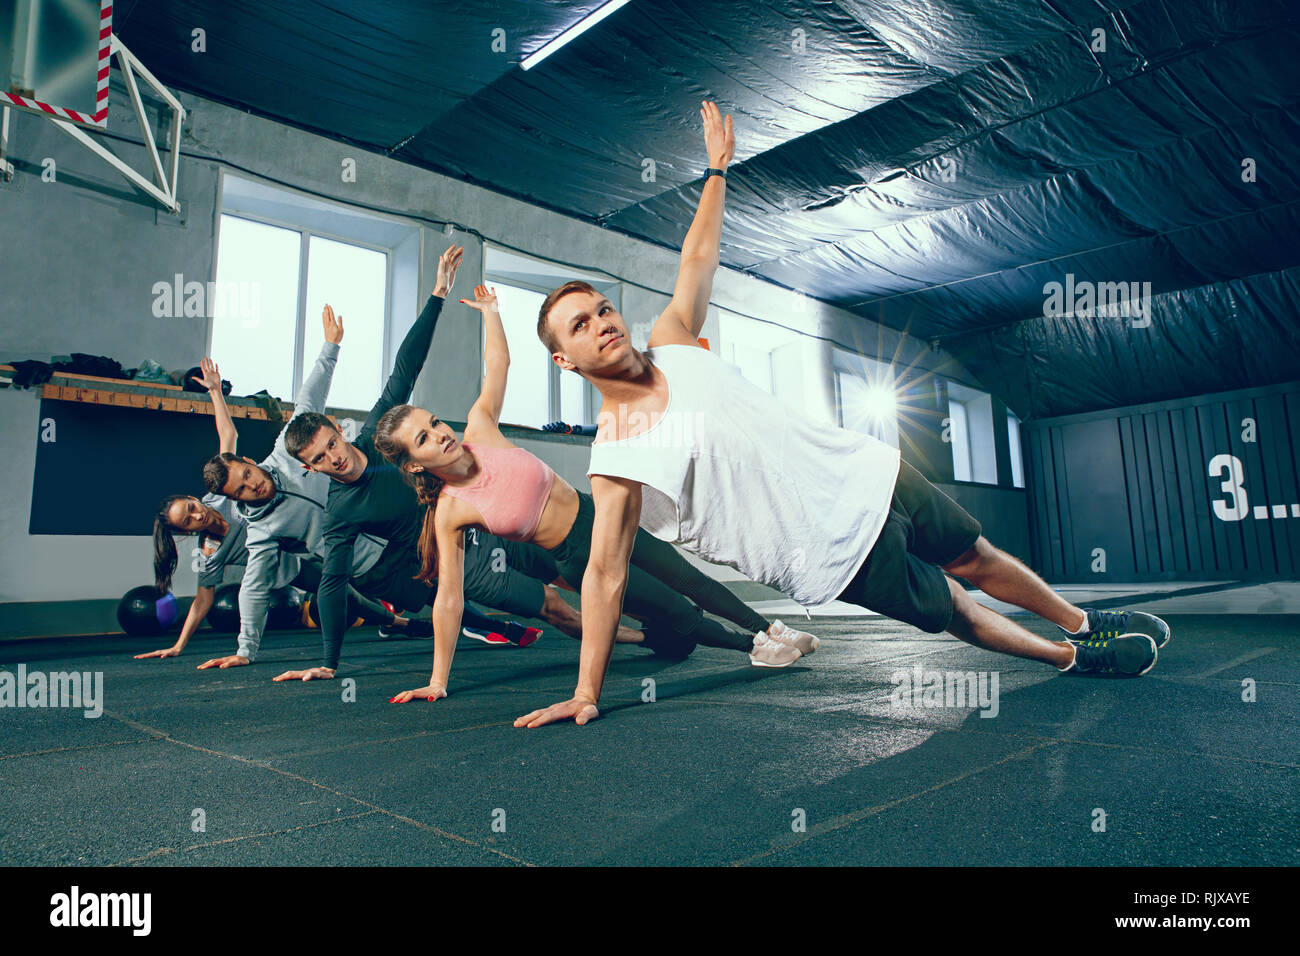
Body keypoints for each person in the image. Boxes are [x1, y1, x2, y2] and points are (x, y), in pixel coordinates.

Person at [516, 101, 1172, 729]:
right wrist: (585, 690)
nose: (601, 323)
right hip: (830, 552)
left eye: (601, 308)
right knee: (957, 608)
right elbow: (605, 575)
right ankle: (1076, 659)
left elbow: (697, 257)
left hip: (864, 471)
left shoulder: (674, 339)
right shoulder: (617, 458)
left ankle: (1083, 623)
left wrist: (717, 170)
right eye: (581, 324)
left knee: (976, 554)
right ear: (565, 362)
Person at [370, 284, 814, 704]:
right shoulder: (450, 511)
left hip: (602, 515)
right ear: (413, 463)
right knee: (678, 611)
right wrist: (436, 680)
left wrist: (491, 314)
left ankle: (772, 629)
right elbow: (450, 598)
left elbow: (498, 366)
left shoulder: (480, 429)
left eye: (433, 422)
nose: (439, 434)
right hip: (579, 557)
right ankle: (752, 645)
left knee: (691, 579)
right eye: (424, 440)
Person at [277, 245, 585, 682]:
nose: (335, 458)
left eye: (331, 443)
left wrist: (438, 293)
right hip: (458, 556)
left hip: (491, 519)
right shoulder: (341, 512)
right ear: (310, 468)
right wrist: (329, 662)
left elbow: (406, 368)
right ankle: (585, 638)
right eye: (320, 459)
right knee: (552, 605)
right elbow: (331, 582)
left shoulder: (375, 437)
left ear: (337, 430)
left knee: (574, 570)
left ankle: (653, 615)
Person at [137, 357, 421, 664]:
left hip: (320, 535)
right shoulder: (211, 552)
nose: (196, 516)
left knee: (376, 567)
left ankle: (403, 611)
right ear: (186, 532)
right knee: (347, 598)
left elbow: (227, 437)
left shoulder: (221, 494)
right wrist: (180, 645)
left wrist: (216, 392)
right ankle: (398, 624)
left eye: (191, 508)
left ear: (195, 498)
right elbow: (208, 598)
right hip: (294, 567)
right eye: (188, 522)